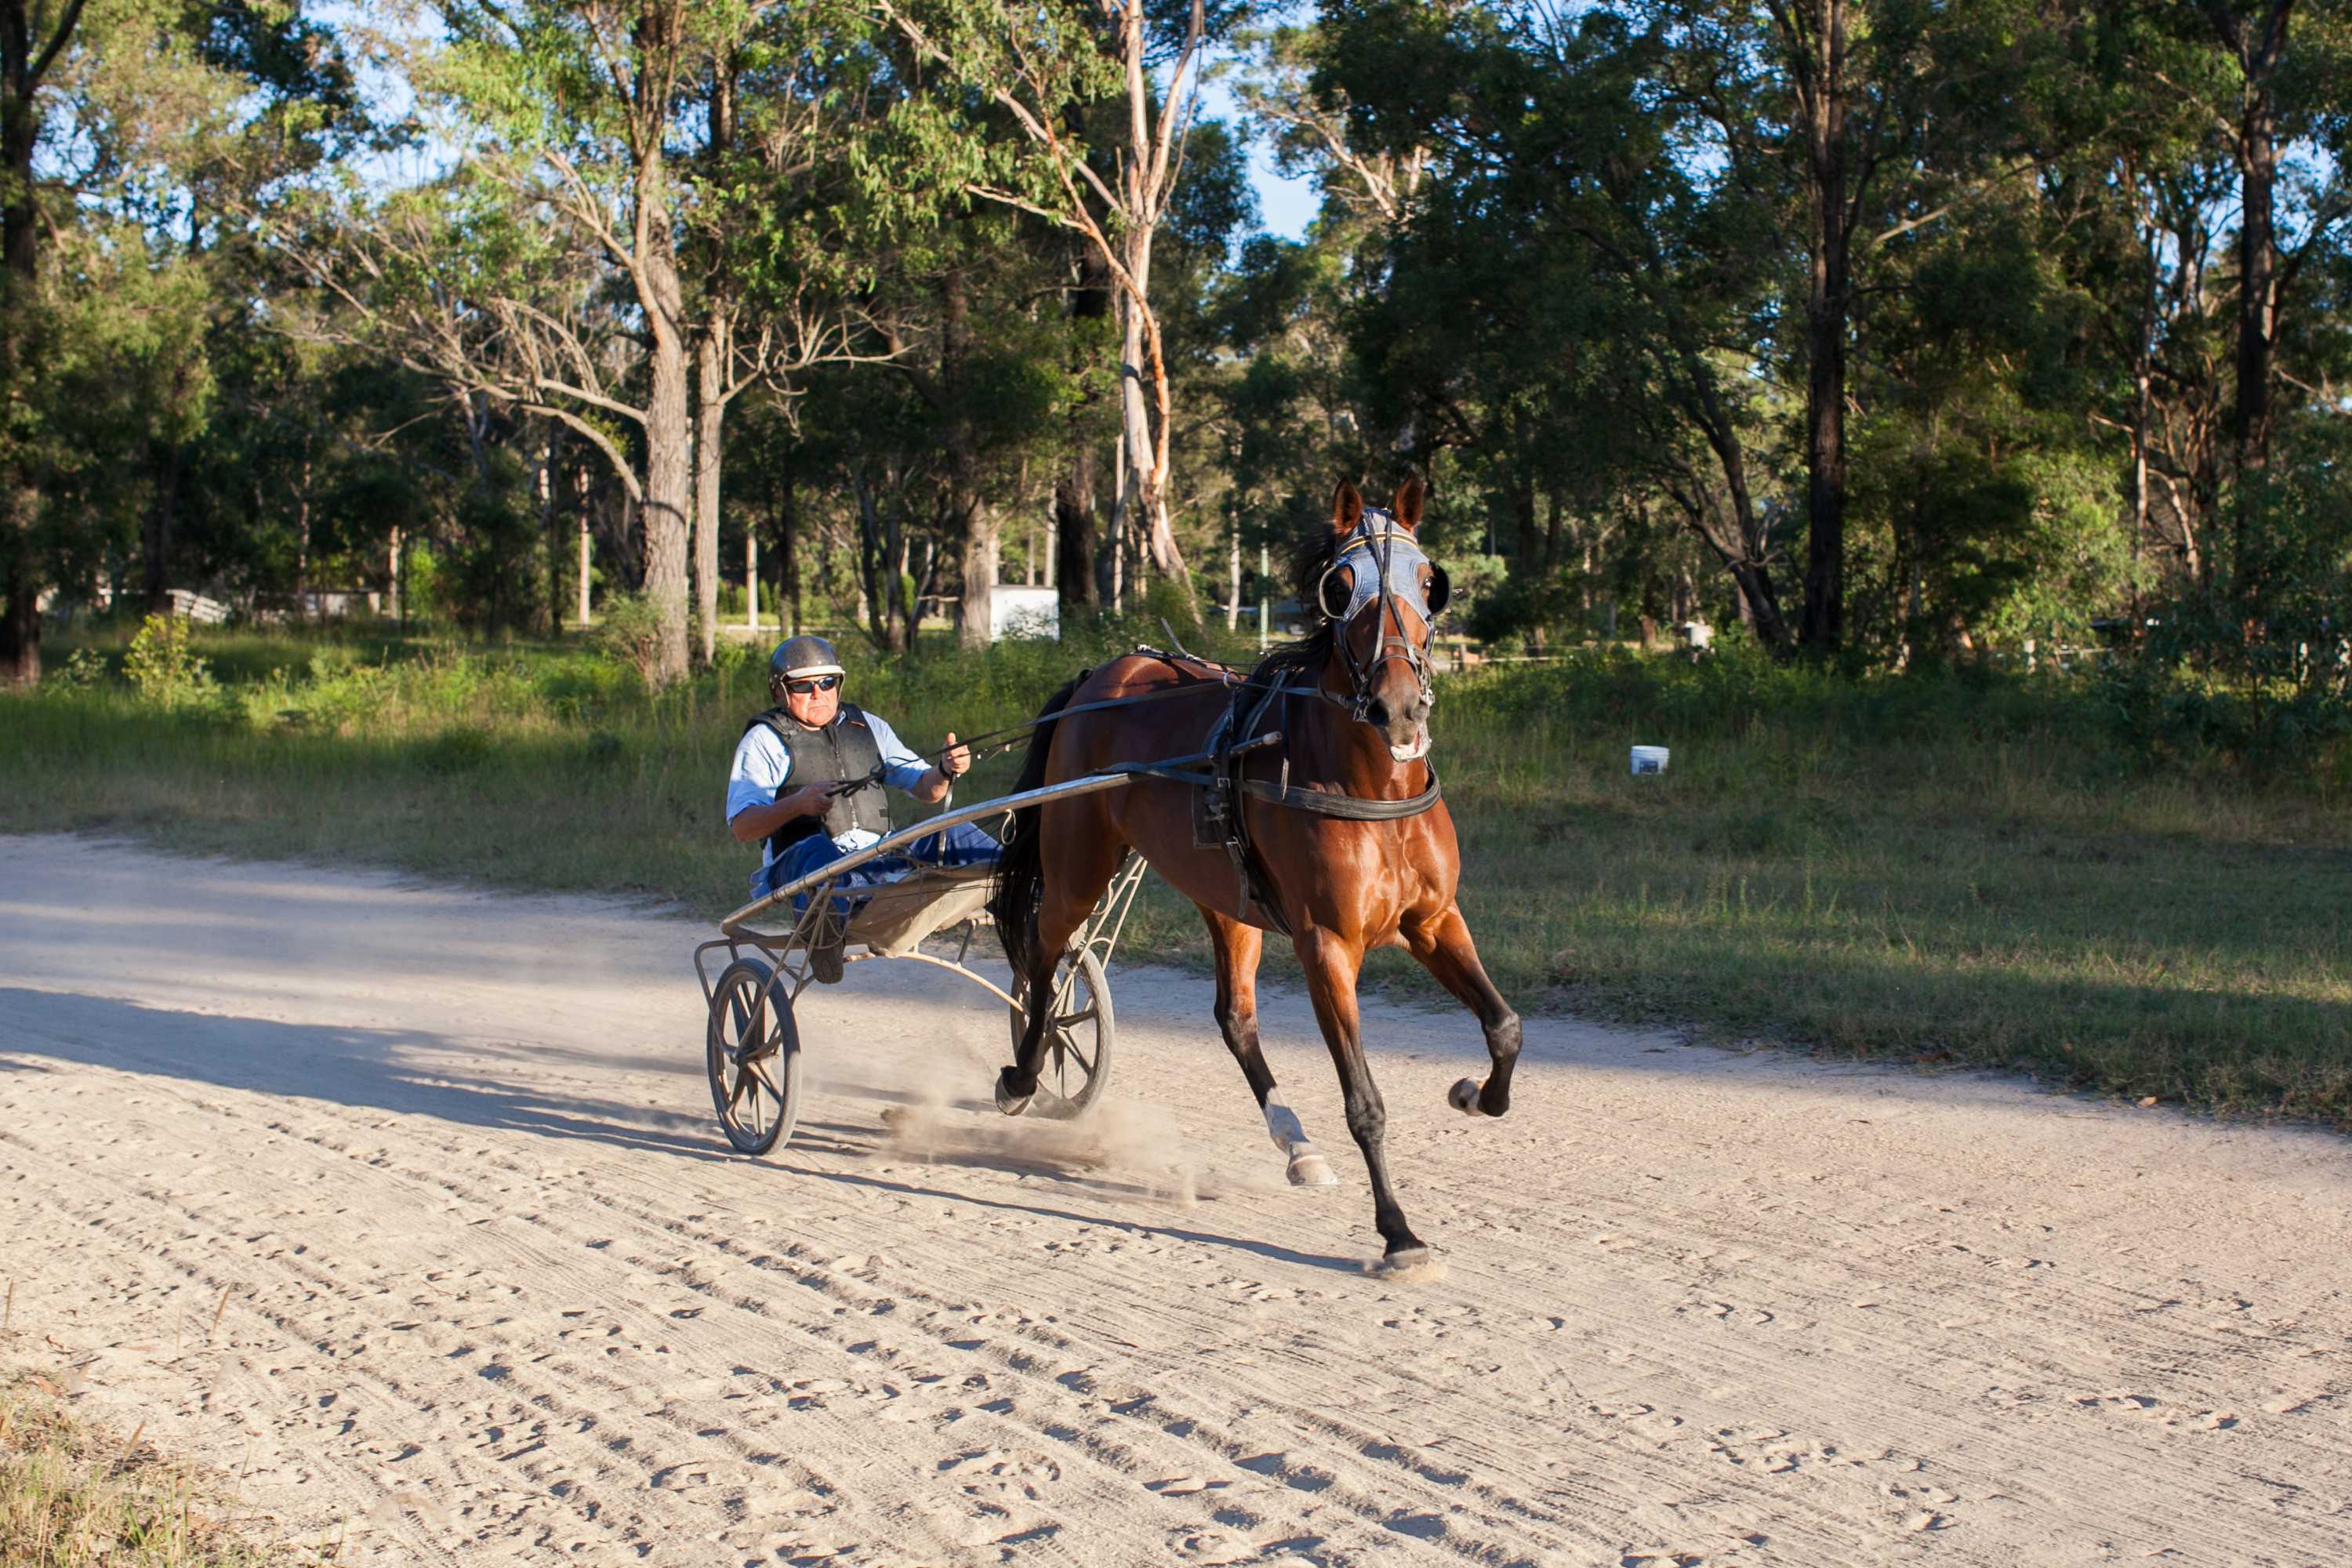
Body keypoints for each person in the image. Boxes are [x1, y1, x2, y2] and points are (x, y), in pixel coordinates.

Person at [725, 636, 998, 977]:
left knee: (957, 830)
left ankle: (1029, 900)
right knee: (815, 850)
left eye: (827, 683)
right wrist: (796, 804)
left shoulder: (868, 727)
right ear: (779, 691)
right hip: (803, 869)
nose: (818, 693)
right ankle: (825, 940)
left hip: (877, 862)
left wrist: (944, 768)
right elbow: (742, 826)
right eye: (803, 685)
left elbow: (927, 789)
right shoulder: (765, 740)